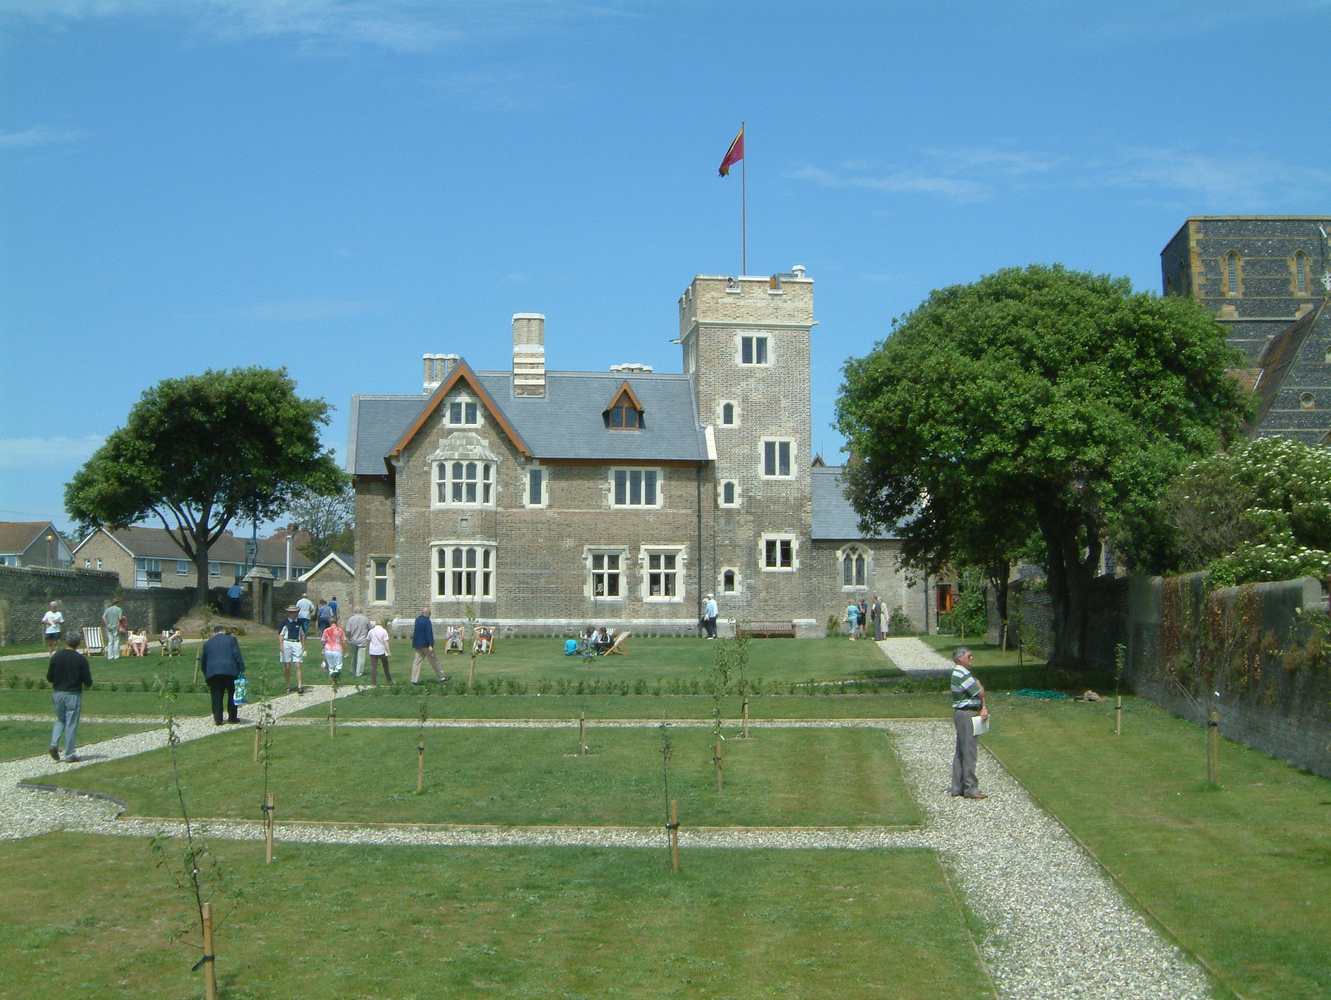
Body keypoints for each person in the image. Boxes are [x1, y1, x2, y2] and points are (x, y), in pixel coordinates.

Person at [948, 647, 989, 800]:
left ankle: (957, 787)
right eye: (969, 656)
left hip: (964, 714)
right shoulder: (962, 674)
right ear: (960, 658)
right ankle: (970, 788)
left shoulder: (961, 673)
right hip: (967, 714)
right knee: (969, 751)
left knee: (961, 751)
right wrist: (980, 685)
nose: (972, 659)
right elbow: (980, 692)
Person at [47, 631, 92, 762]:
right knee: (71, 723)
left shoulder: (56, 657)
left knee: (60, 719)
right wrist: (87, 684)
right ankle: (69, 754)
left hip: (57, 693)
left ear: (65, 641)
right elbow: (87, 681)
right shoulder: (81, 659)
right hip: (73, 694)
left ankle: (54, 744)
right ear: (78, 643)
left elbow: (49, 677)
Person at [200, 624, 245, 725]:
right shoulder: (232, 640)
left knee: (216, 696)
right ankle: (232, 717)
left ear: (214, 633)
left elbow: (203, 662)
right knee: (232, 693)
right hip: (230, 671)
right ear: (223, 631)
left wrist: (206, 674)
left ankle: (218, 719)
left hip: (213, 673)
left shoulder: (207, 644)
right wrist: (241, 668)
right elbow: (237, 655)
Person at [411, 608, 445, 684]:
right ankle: (442, 677)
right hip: (426, 645)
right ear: (427, 613)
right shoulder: (427, 621)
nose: (430, 616)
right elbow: (429, 633)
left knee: (416, 662)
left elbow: (416, 632)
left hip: (418, 645)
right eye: (430, 614)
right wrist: (431, 644)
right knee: (434, 661)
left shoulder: (417, 620)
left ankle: (414, 680)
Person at [278, 605, 305, 693]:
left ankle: (300, 686)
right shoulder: (284, 622)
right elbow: (281, 635)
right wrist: (281, 646)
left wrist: (303, 646)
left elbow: (302, 635)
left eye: (295, 612)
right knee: (287, 666)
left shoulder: (300, 622)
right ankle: (288, 686)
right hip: (287, 643)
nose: (294, 614)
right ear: (289, 613)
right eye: (292, 612)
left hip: (296, 643)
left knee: (298, 665)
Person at [344, 609, 371, 678]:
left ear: (355, 612)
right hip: (362, 640)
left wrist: (348, 638)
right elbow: (370, 629)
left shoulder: (351, 619)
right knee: (361, 658)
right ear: (361, 612)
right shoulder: (365, 619)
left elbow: (348, 631)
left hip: (353, 640)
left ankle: (353, 671)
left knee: (354, 657)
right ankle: (358, 673)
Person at [367, 618, 393, 686]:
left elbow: (368, 640)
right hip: (381, 651)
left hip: (373, 651)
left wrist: (368, 649)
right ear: (382, 624)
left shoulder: (371, 631)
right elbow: (386, 642)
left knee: (373, 667)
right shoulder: (384, 631)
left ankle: (373, 683)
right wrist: (389, 652)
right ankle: (389, 680)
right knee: (385, 666)